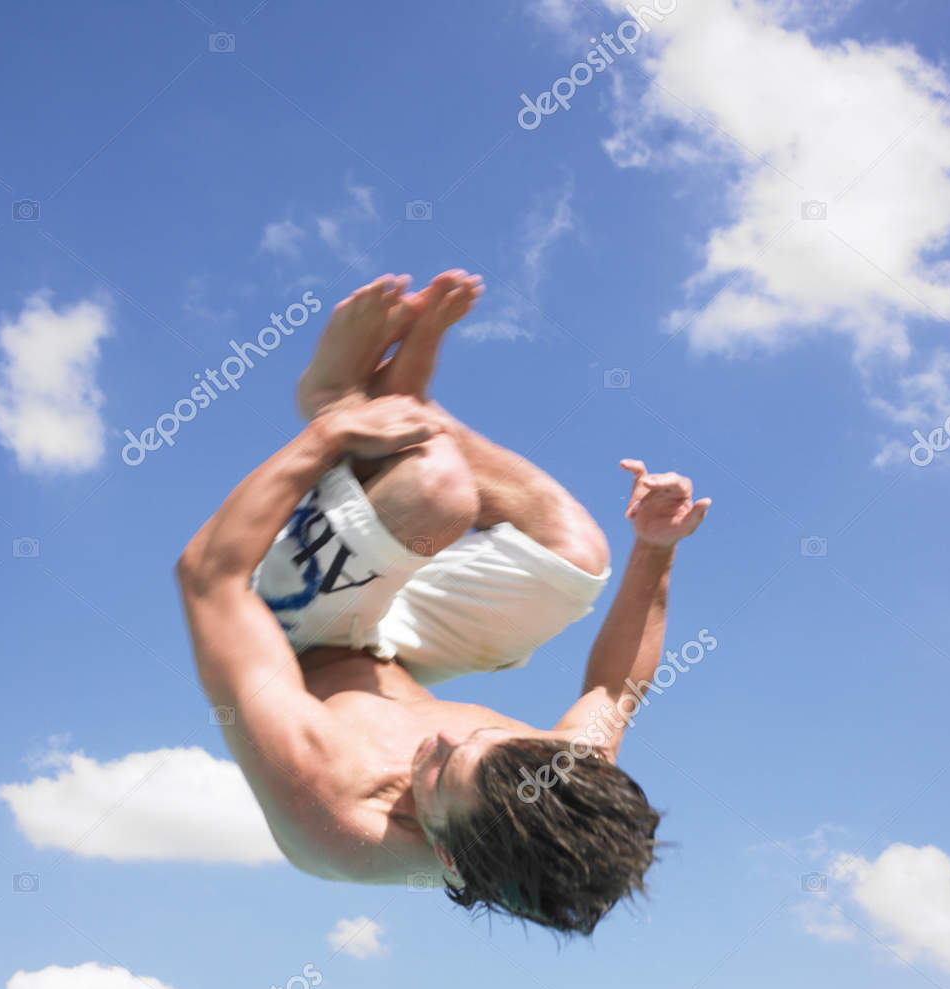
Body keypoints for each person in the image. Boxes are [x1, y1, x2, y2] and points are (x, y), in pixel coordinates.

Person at [176, 270, 710, 936]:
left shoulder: (330, 799)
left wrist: (329, 433)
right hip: (396, 650)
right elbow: (613, 688)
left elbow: (209, 577)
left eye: (442, 769)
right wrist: (655, 548)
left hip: (293, 632)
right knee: (576, 558)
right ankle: (409, 406)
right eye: (483, 737)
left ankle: (336, 399)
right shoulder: (559, 778)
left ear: (445, 854)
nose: (443, 736)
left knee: (436, 492)